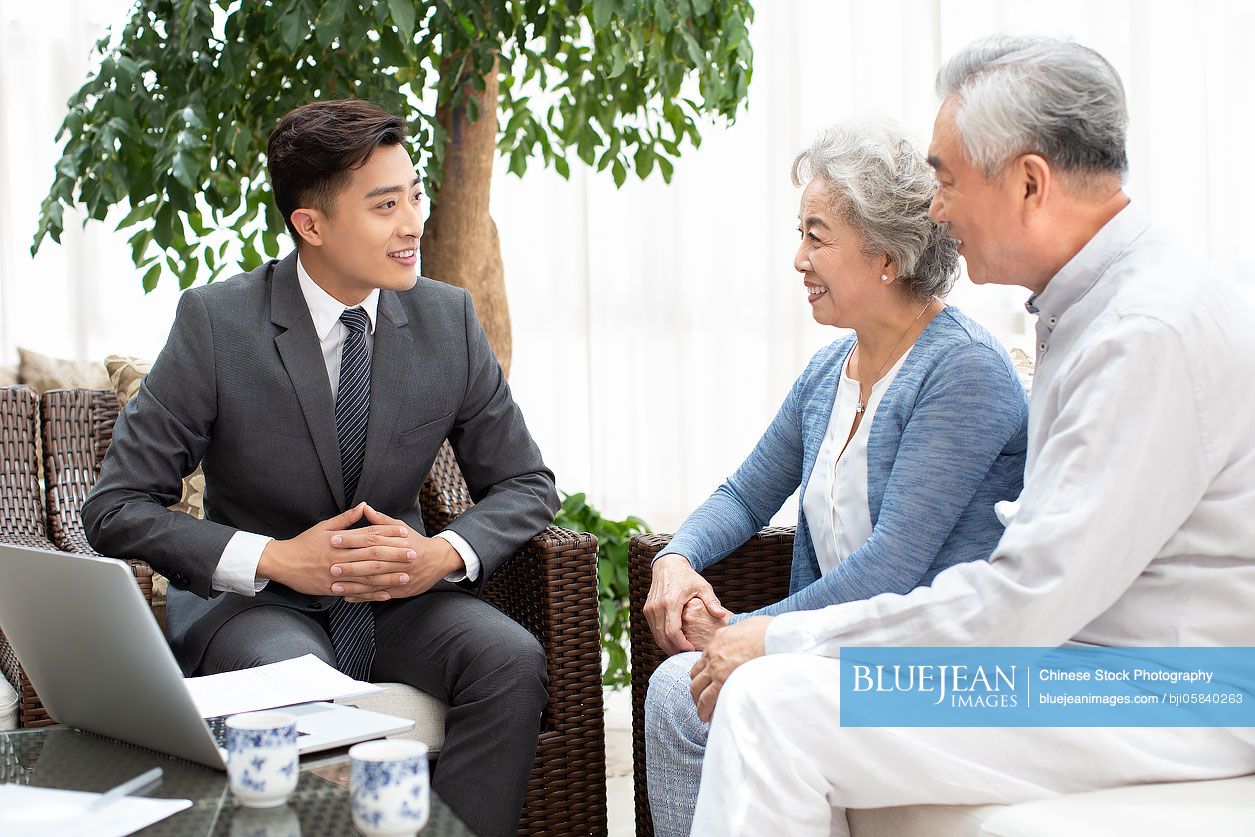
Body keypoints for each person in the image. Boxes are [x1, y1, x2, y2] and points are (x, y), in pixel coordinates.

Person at [656, 36, 1255, 836]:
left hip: (1169, 690)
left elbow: (1020, 601)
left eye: (945, 179)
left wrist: (778, 636)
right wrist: (737, 608)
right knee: (771, 696)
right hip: (1083, 664)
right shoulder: (1093, 306)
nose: (935, 210)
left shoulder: (1144, 330)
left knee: (771, 703)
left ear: (1029, 183)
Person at [82, 99, 558, 837]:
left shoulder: (449, 320)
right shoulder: (216, 323)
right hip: (259, 607)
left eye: (415, 197)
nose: (413, 223)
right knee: (299, 687)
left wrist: (440, 554)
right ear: (311, 224)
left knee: (510, 659)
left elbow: (526, 482)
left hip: (401, 600)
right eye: (385, 206)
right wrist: (275, 559)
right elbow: (116, 507)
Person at [644, 117, 1029, 836]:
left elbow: (891, 568)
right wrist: (676, 558)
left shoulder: (963, 371)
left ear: (885, 255)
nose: (798, 259)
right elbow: (743, 495)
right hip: (842, 648)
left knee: (681, 689)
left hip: (934, 665)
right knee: (684, 688)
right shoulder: (829, 371)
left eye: (816, 236)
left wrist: (745, 635)